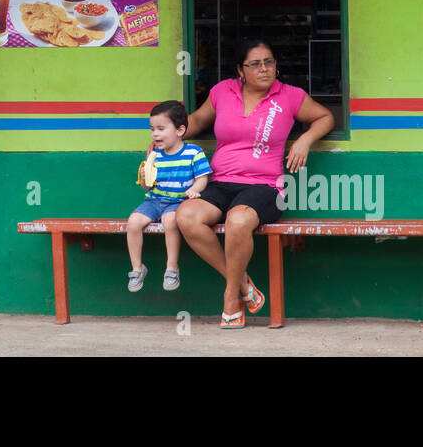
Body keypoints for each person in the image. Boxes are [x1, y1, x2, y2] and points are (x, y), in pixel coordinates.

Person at [177, 40, 335, 328]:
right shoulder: (222, 91)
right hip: (220, 181)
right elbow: (197, 120)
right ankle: (243, 285)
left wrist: (304, 139)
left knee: (238, 222)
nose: (264, 69)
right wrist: (166, 138)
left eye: (269, 62)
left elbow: (326, 117)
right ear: (241, 70)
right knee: (186, 216)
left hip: (266, 187)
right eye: (256, 64)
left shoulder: (289, 96)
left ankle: (230, 298)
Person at [126, 100, 211, 292]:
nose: (155, 134)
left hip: (178, 202)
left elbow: (202, 177)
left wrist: (196, 189)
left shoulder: (193, 152)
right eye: (152, 129)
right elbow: (148, 186)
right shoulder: (155, 155)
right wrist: (144, 180)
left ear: (180, 130)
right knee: (133, 223)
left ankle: (171, 268)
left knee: (170, 221)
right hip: (154, 201)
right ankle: (137, 268)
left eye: (161, 128)